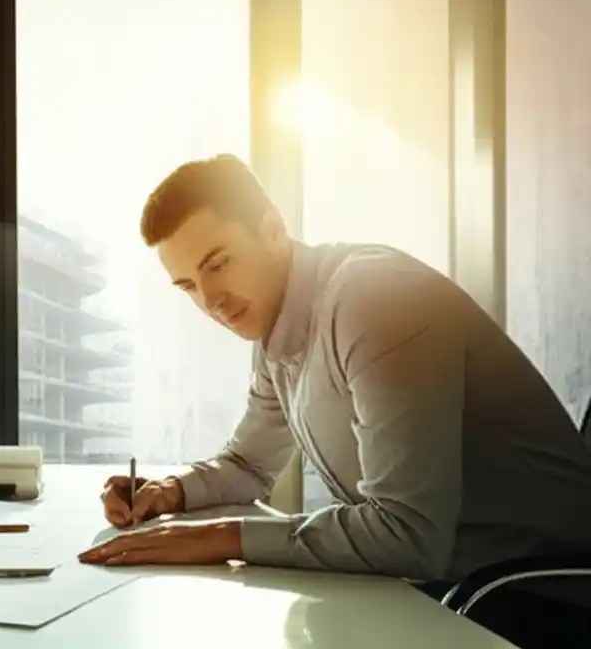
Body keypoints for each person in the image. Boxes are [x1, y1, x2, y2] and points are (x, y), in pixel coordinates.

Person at [77, 154, 591, 646]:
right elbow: (248, 463)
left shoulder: (373, 297)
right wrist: (169, 493)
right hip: (450, 586)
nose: (210, 302)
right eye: (189, 285)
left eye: (220, 263)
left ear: (272, 229)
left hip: (539, 591)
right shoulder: (274, 329)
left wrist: (217, 539)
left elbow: (407, 534)